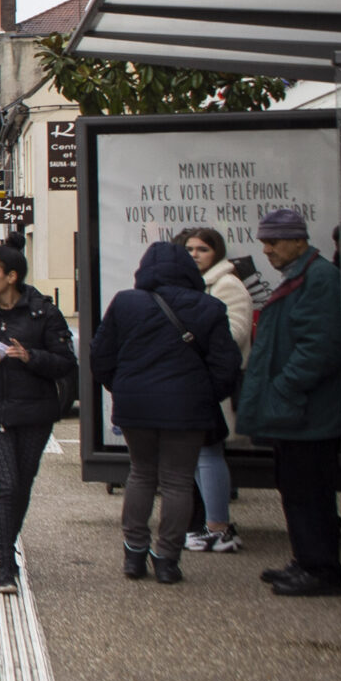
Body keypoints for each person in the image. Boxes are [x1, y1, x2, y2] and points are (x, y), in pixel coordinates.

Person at [93, 239, 243, 583]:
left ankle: (133, 555)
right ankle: (167, 560)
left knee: (141, 474)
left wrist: (123, 387)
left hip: (135, 404)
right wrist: (204, 395)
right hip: (187, 407)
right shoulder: (208, 307)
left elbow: (100, 355)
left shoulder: (126, 302)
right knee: (177, 481)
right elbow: (226, 366)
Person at [234, 208, 341, 597]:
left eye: (275, 242)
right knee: (296, 489)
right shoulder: (302, 276)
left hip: (309, 413)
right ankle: (305, 561)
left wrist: (283, 388)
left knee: (310, 492)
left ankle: (320, 569)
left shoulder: (318, 279)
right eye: (264, 242)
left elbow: (321, 348)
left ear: (299, 240)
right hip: (299, 412)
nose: (267, 250)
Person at [0, 240, 77, 593]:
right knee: (5, 485)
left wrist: (30, 357)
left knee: (21, 486)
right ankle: (4, 565)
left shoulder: (43, 313)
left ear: (11, 276)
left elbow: (65, 363)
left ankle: (8, 545)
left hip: (35, 411)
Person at [179, 226, 253, 555]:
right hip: (198, 381)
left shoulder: (228, 284)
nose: (194, 254)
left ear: (217, 253)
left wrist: (190, 338)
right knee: (200, 455)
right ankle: (211, 524)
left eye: (202, 249)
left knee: (210, 453)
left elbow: (234, 333)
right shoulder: (200, 284)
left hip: (216, 382)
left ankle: (218, 526)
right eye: (190, 249)